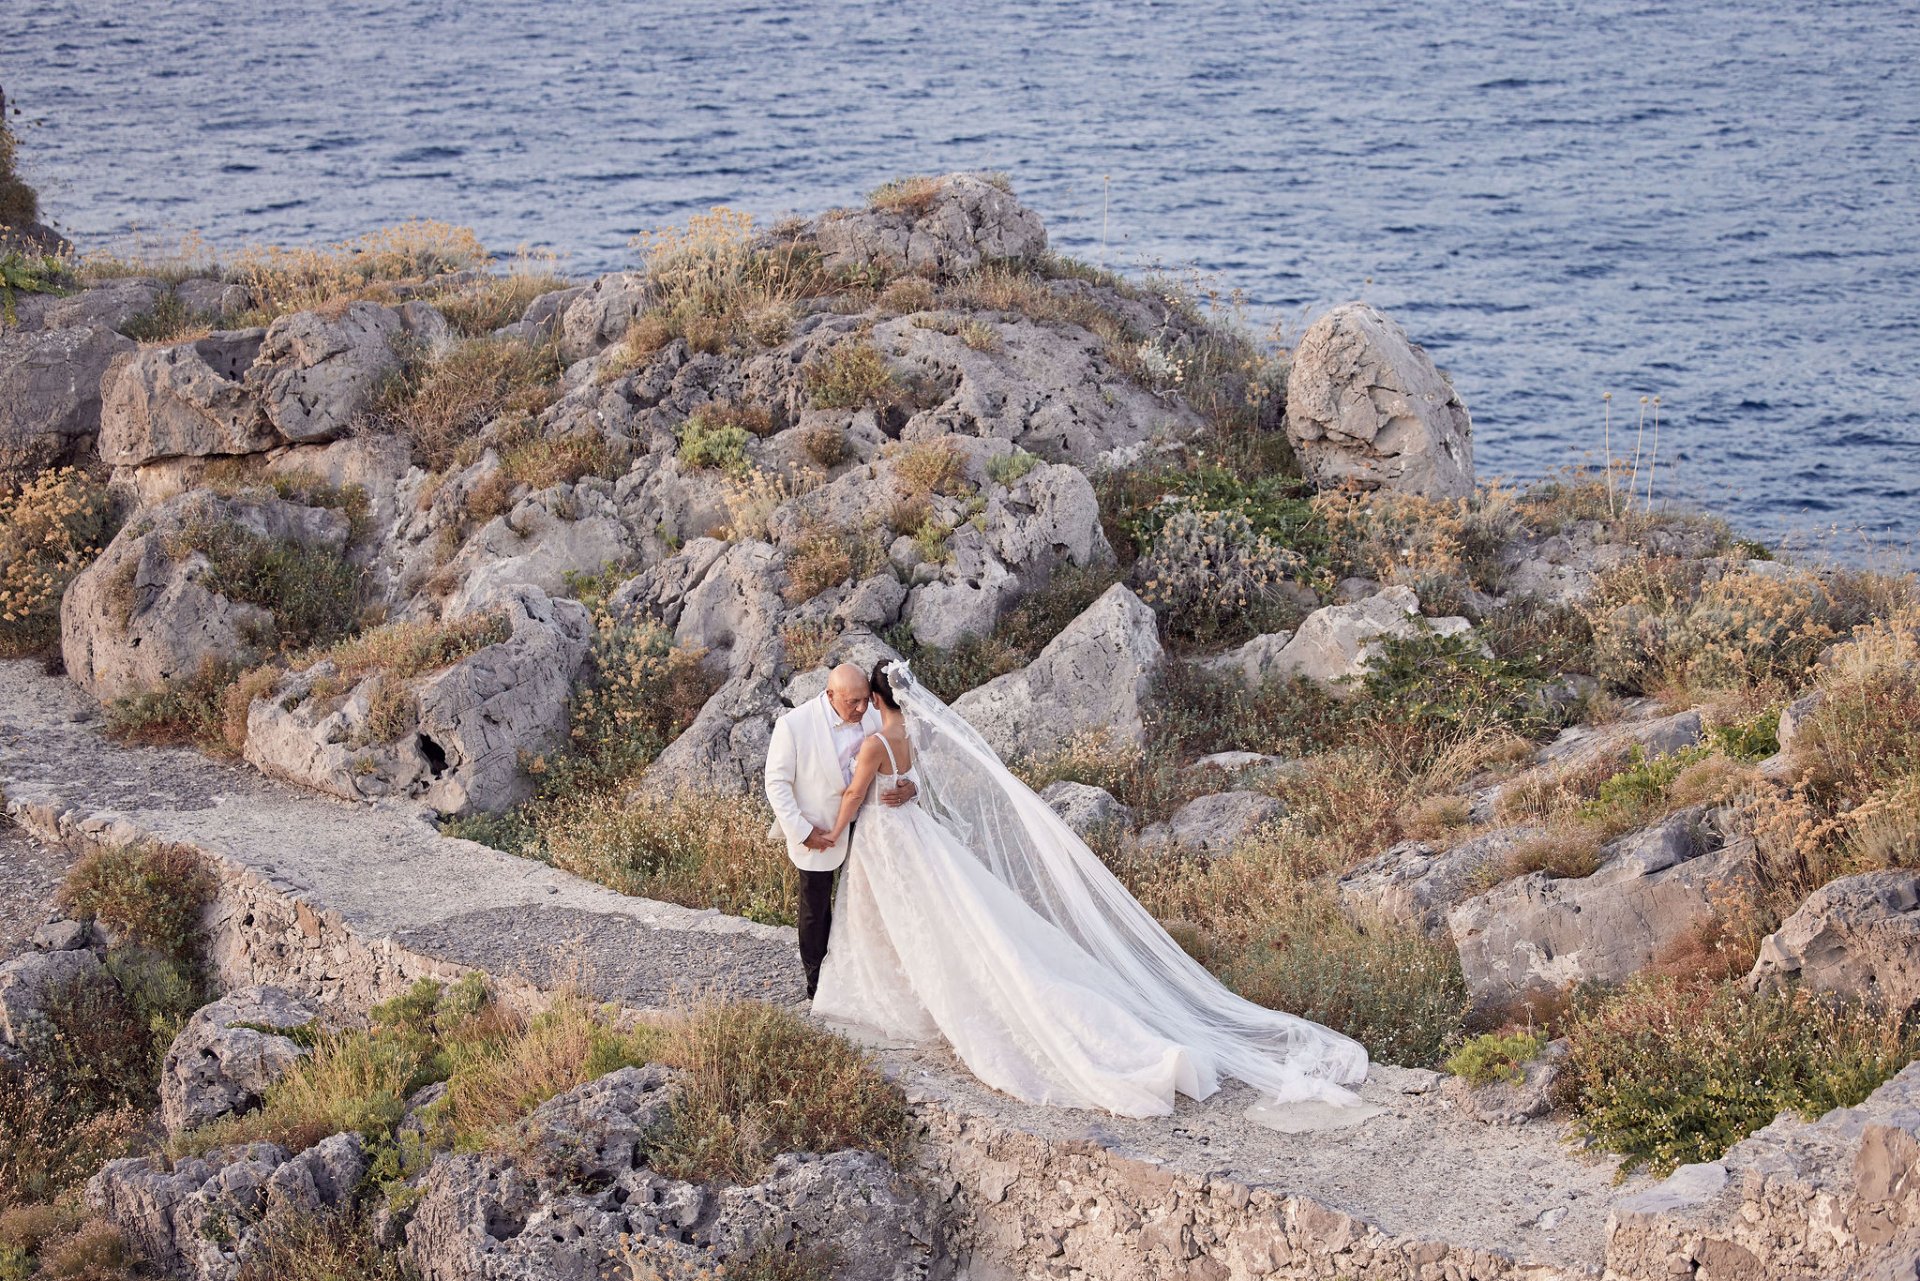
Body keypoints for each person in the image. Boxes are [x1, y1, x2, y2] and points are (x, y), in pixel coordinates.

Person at [808, 659, 1371, 1119]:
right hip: (912, 836)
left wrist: (832, 830)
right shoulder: (907, 737)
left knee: (916, 921)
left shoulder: (874, 744)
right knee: (935, 920)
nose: (857, 707)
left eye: (862, 699)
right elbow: (910, 785)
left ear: (875, 699)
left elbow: (858, 796)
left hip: (890, 842)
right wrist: (900, 792)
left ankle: (916, 1000)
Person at [763, 664, 916, 999]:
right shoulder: (794, 725)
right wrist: (802, 832)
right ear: (830, 695)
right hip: (818, 833)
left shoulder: (876, 716)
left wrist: (911, 787)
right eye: (852, 702)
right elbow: (776, 784)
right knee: (816, 909)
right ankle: (818, 986)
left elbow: (905, 753)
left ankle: (869, 975)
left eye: (865, 700)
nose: (861, 709)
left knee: (869, 904)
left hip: (871, 830)